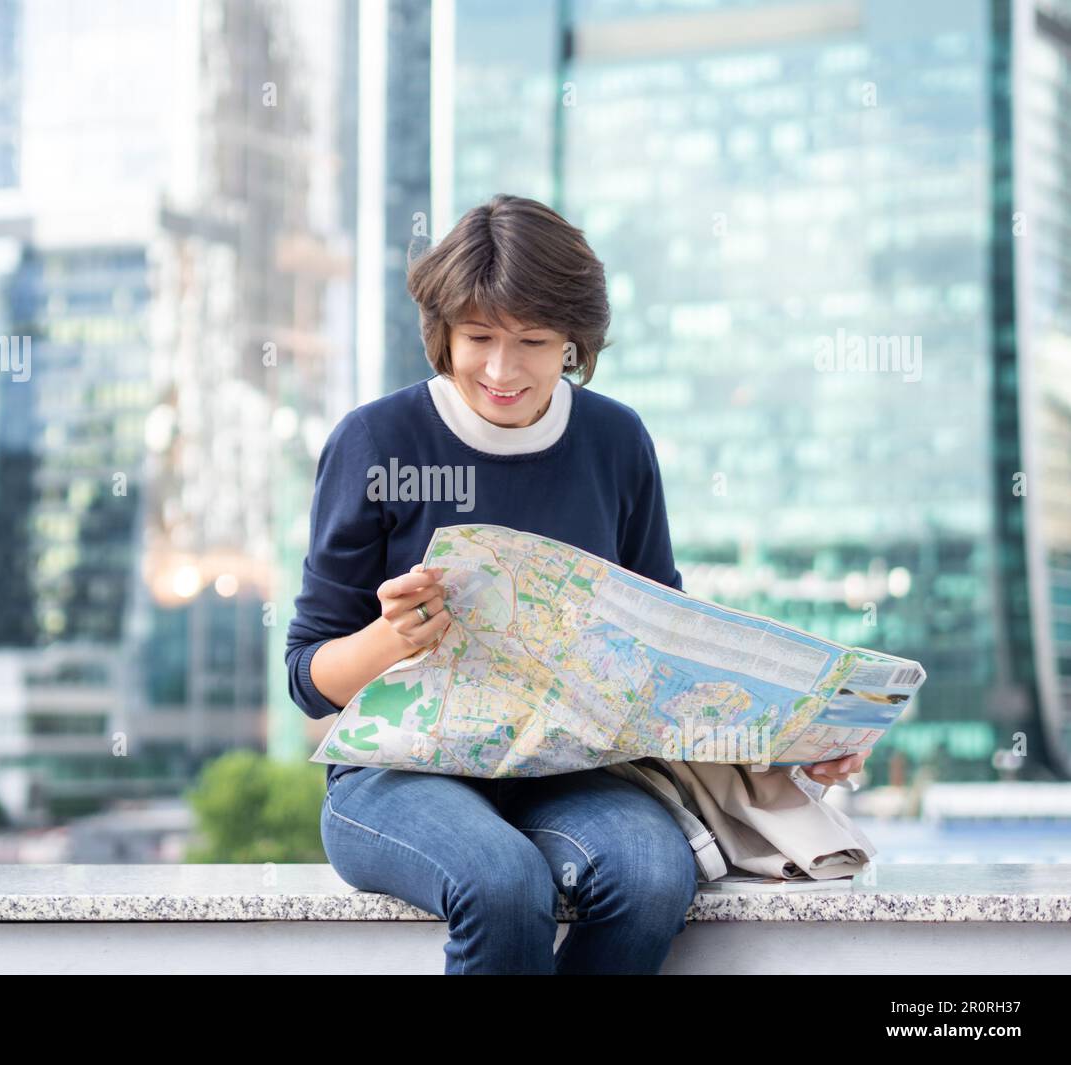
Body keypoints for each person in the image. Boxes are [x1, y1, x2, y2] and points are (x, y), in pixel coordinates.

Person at [284, 193, 849, 975]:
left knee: (653, 874)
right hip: (395, 777)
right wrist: (390, 639)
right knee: (500, 881)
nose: (500, 368)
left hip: (572, 774)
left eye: (534, 341)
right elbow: (308, 679)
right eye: (477, 336)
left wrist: (805, 742)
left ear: (575, 343)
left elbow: (665, 657)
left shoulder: (614, 441)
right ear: (442, 330)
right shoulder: (376, 440)